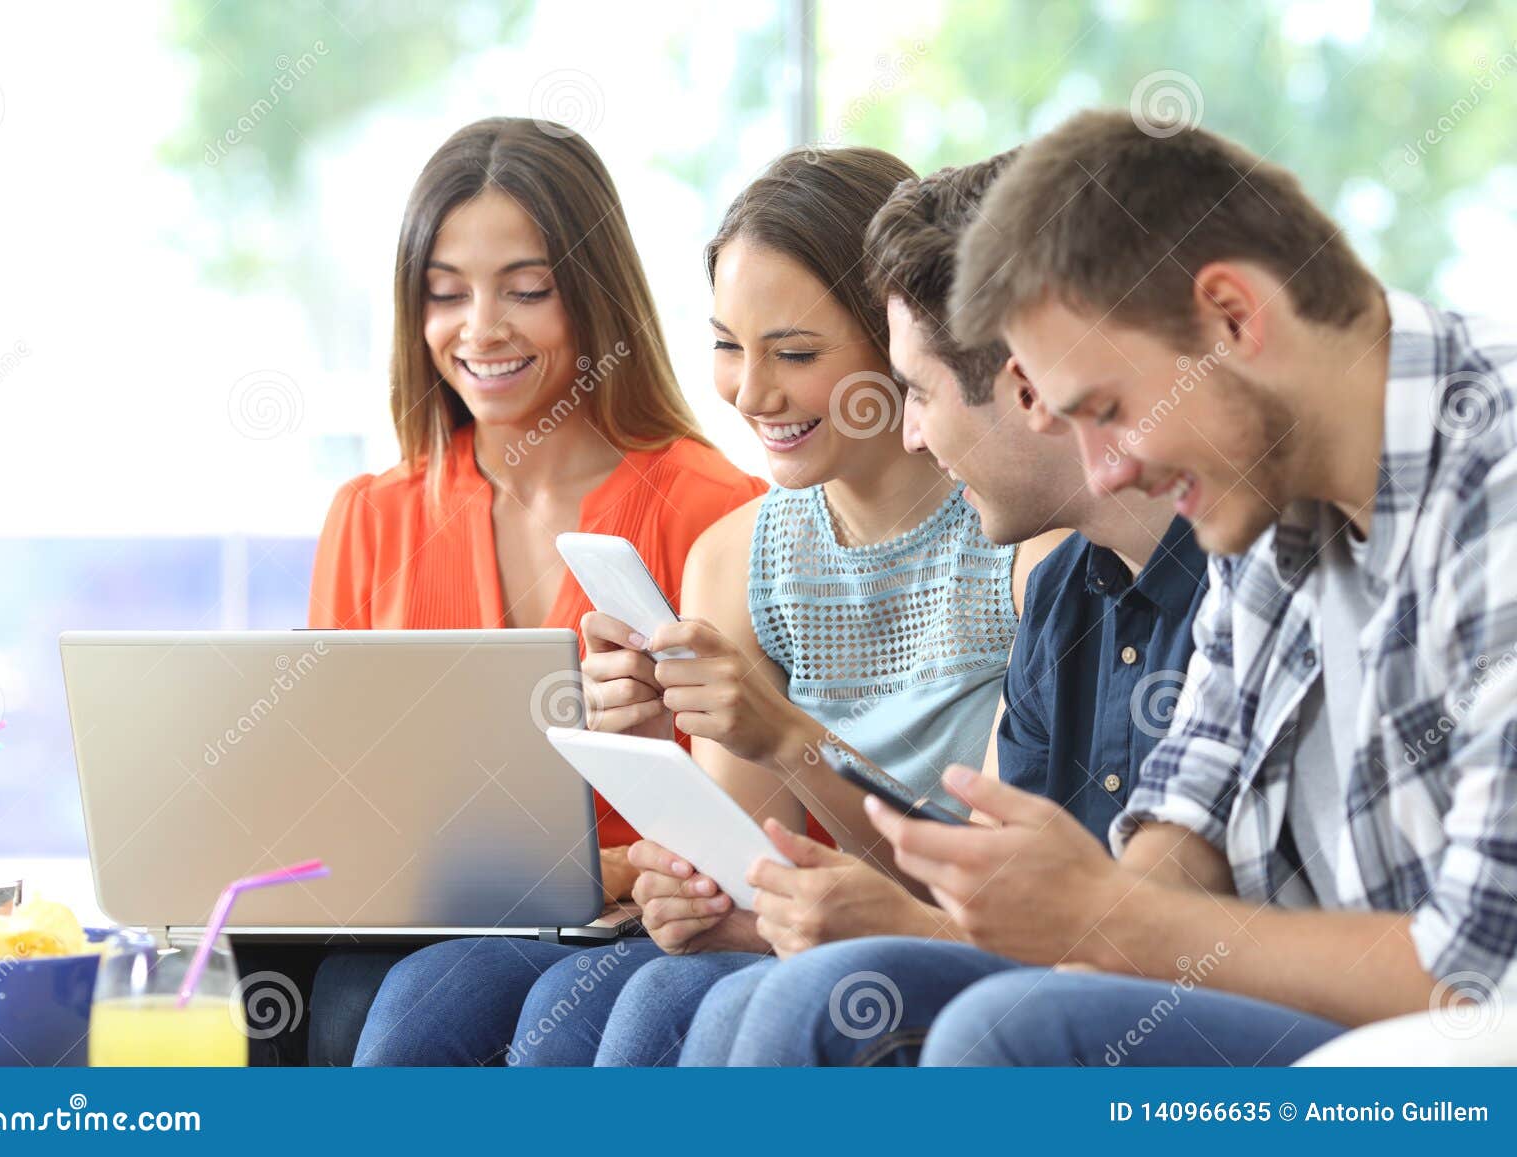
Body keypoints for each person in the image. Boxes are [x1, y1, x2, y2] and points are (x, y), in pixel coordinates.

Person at [357, 144, 1049, 1066]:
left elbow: (987, 892)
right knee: (436, 1004)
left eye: (794, 353)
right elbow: (741, 868)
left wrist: (785, 737)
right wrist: (650, 770)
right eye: (727, 346)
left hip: (936, 930)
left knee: (653, 1008)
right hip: (795, 925)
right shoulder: (740, 554)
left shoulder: (1019, 535)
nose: (750, 393)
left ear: (898, 335)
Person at [866, 107, 1517, 1066]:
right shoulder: (1265, 491)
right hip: (1351, 1024)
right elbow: (1188, 811)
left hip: (1462, 1040)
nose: (1103, 471)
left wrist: (1100, 918)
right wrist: (1088, 936)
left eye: (1111, 412)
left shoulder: (1491, 472)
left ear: (1233, 317)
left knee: (1009, 1036)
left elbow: (1473, 973)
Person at [638, 155, 1210, 1066]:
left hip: (1186, 1018)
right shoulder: (1074, 589)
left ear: (1026, 389)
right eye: (727, 344)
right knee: (667, 999)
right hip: (1062, 979)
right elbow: (991, 886)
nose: (905, 425)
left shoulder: (1185, 580)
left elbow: (1147, 947)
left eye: (917, 390)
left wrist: (895, 917)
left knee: (829, 1010)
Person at [299, 117, 765, 1065]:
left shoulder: (716, 510)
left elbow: (739, 810)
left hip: (634, 930)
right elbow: (334, 801)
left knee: (417, 1013)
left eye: (526, 290)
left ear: (593, 301)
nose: (481, 330)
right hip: (425, 918)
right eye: (445, 294)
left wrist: (622, 868)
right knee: (328, 993)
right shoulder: (369, 514)